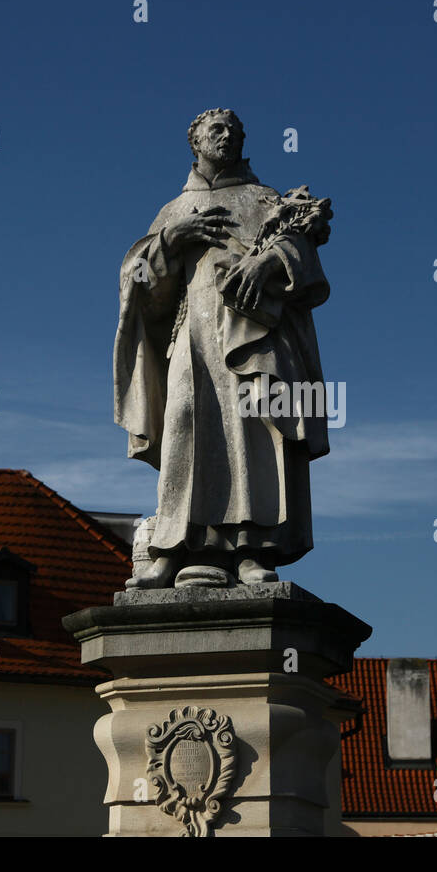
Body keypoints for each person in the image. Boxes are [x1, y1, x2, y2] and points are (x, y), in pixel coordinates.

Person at [113, 108, 333, 588]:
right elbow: (138, 288)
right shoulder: (173, 210)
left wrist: (270, 262)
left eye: (236, 131)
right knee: (183, 428)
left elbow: (308, 265)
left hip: (252, 341)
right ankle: (176, 549)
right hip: (188, 340)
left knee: (250, 435)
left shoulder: (264, 199)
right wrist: (172, 240)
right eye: (217, 130)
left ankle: (249, 549)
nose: (228, 137)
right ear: (194, 141)